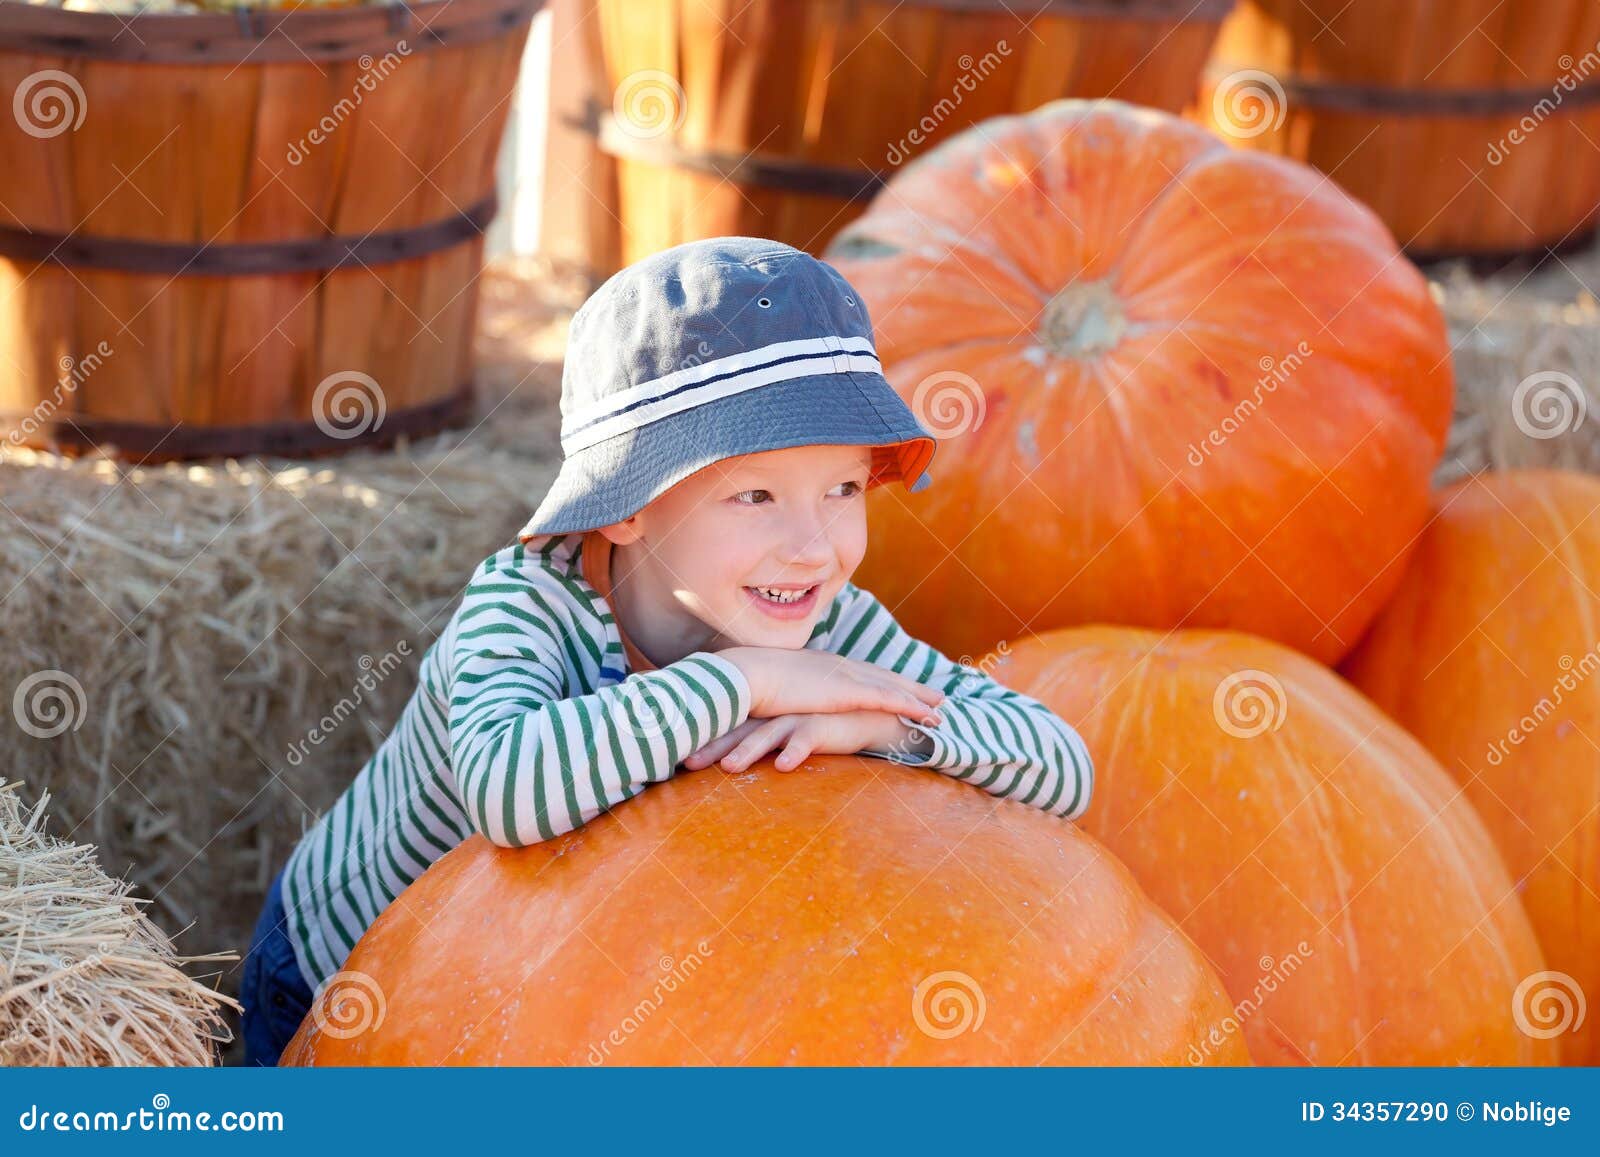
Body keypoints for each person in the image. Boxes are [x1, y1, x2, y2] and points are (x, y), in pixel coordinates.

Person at [239, 236, 1094, 1066]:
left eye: (841, 488)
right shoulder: (527, 603)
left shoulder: (828, 623)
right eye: (754, 494)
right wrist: (746, 678)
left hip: (545, 987)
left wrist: (882, 731)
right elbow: (509, 788)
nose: (813, 545)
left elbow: (1062, 766)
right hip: (350, 981)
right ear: (626, 506)